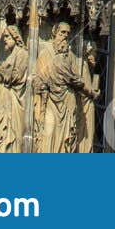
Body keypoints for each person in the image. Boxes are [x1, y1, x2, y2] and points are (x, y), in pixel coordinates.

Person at [33, 23, 82, 154]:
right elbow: (37, 79)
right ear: (54, 33)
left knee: (66, 136)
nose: (65, 36)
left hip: (67, 101)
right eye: (62, 33)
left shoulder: (70, 57)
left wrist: (74, 80)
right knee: (48, 131)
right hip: (50, 101)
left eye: (68, 33)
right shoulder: (45, 53)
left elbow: (77, 78)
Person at [0, 23, 28, 153]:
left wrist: (2, 73)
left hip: (15, 100)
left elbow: (16, 76)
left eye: (7, 37)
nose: (5, 40)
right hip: (6, 99)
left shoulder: (22, 54)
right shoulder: (12, 56)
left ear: (15, 37)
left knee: (14, 134)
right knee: (5, 133)